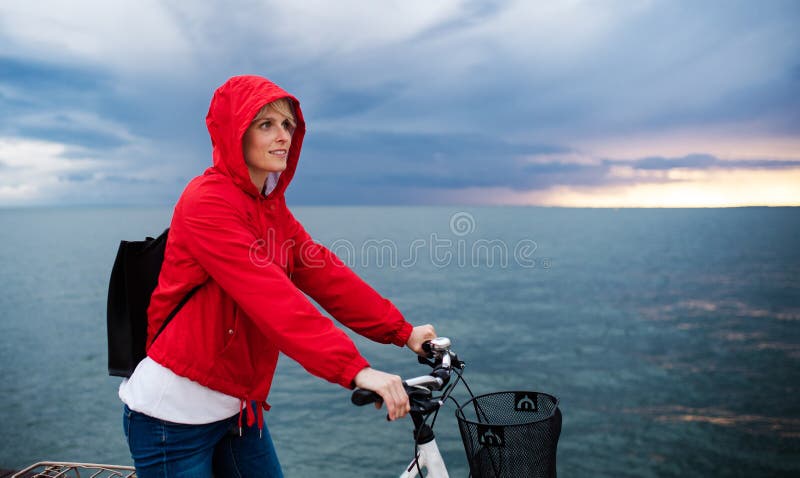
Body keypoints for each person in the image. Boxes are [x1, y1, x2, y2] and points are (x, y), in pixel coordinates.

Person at [119, 75, 436, 477]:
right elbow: (273, 301)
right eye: (266, 124)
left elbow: (323, 273)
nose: (283, 135)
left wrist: (402, 331)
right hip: (172, 418)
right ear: (236, 133)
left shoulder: (270, 206)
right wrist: (355, 369)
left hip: (237, 410)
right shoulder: (206, 203)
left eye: (287, 125)